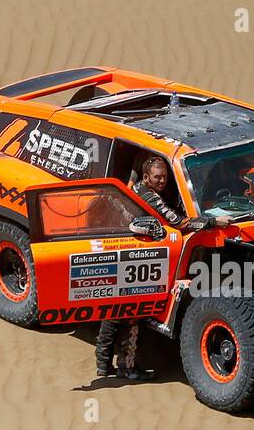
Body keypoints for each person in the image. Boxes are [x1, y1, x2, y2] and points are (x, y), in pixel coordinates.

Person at [95, 155, 230, 380]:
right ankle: (126, 368)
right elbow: (178, 222)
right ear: (147, 177)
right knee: (132, 315)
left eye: (165, 177)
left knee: (113, 312)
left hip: (121, 251)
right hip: (136, 258)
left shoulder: (135, 188)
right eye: (158, 177)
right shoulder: (149, 197)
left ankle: (102, 363)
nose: (162, 181)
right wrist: (213, 222)